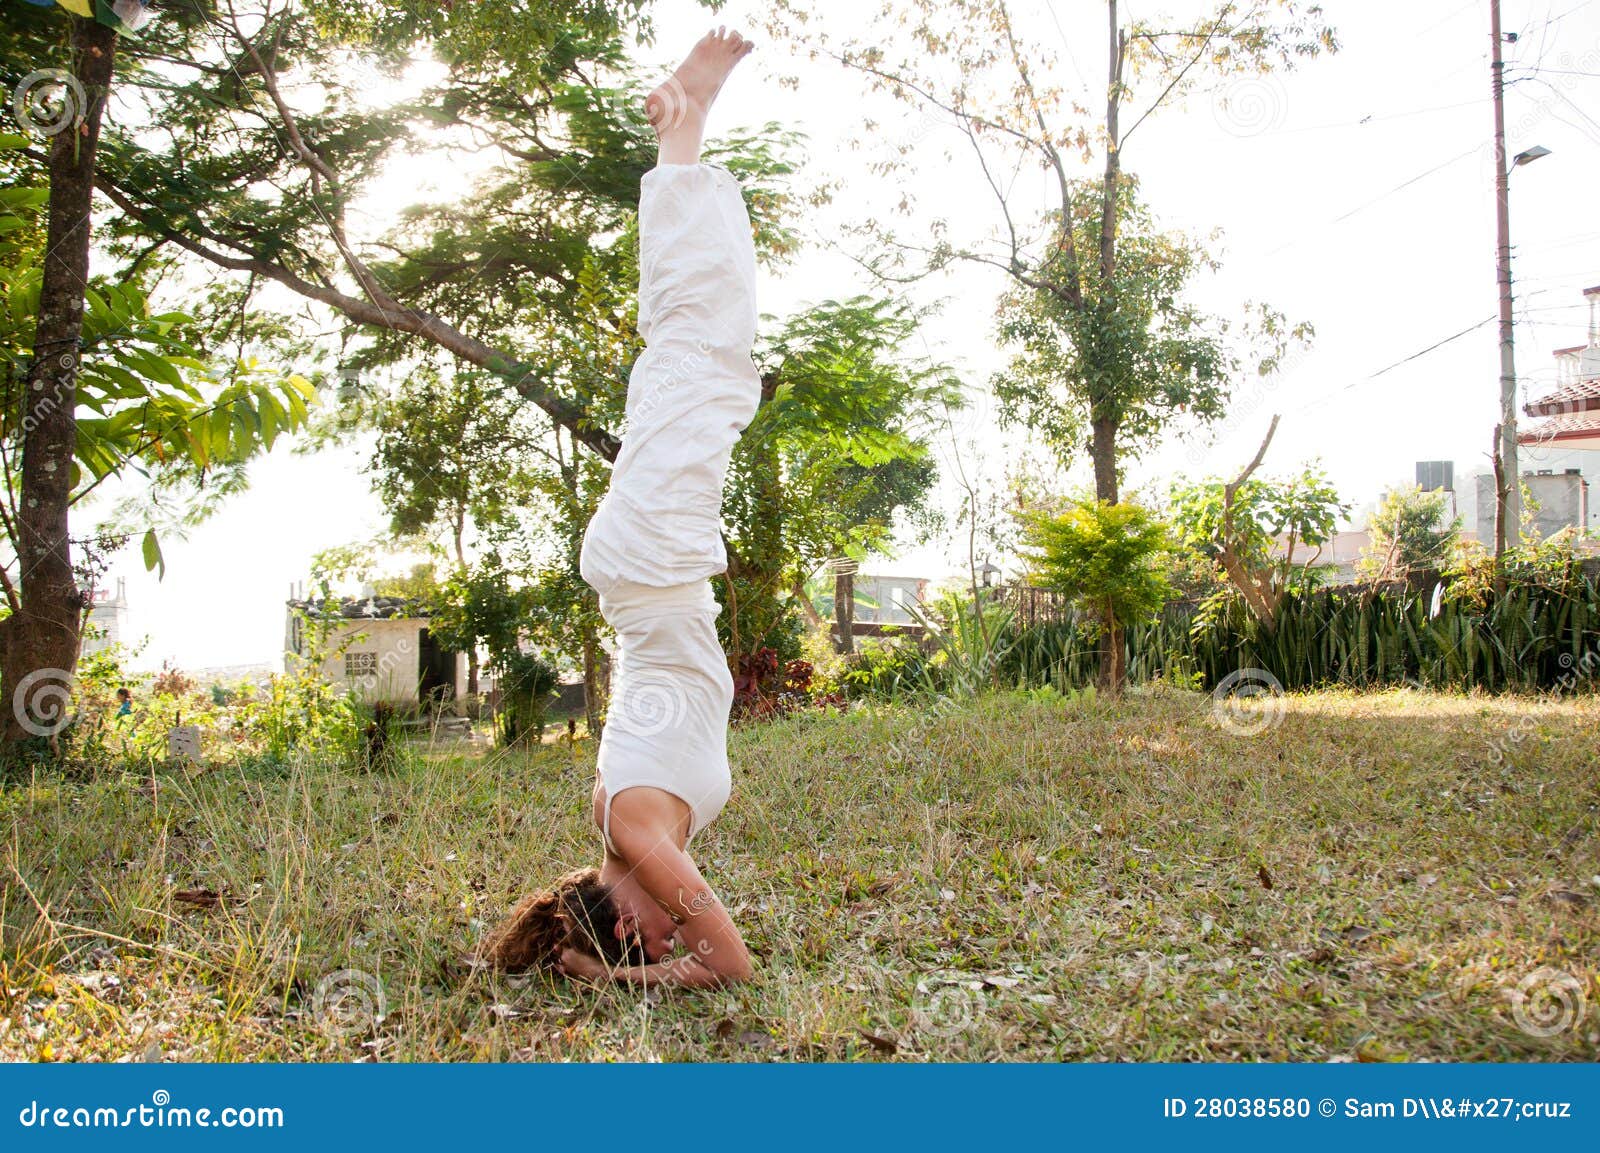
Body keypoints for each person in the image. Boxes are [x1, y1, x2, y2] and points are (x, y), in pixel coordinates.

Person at [479, 27, 758, 988]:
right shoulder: (622, 821)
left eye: (649, 938)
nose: (670, 935)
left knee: (699, 353)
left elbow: (731, 965)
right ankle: (681, 136)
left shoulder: (630, 825)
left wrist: (604, 978)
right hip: (651, 564)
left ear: (620, 918)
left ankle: (680, 128)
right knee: (705, 364)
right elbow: (701, 948)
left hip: (651, 562)